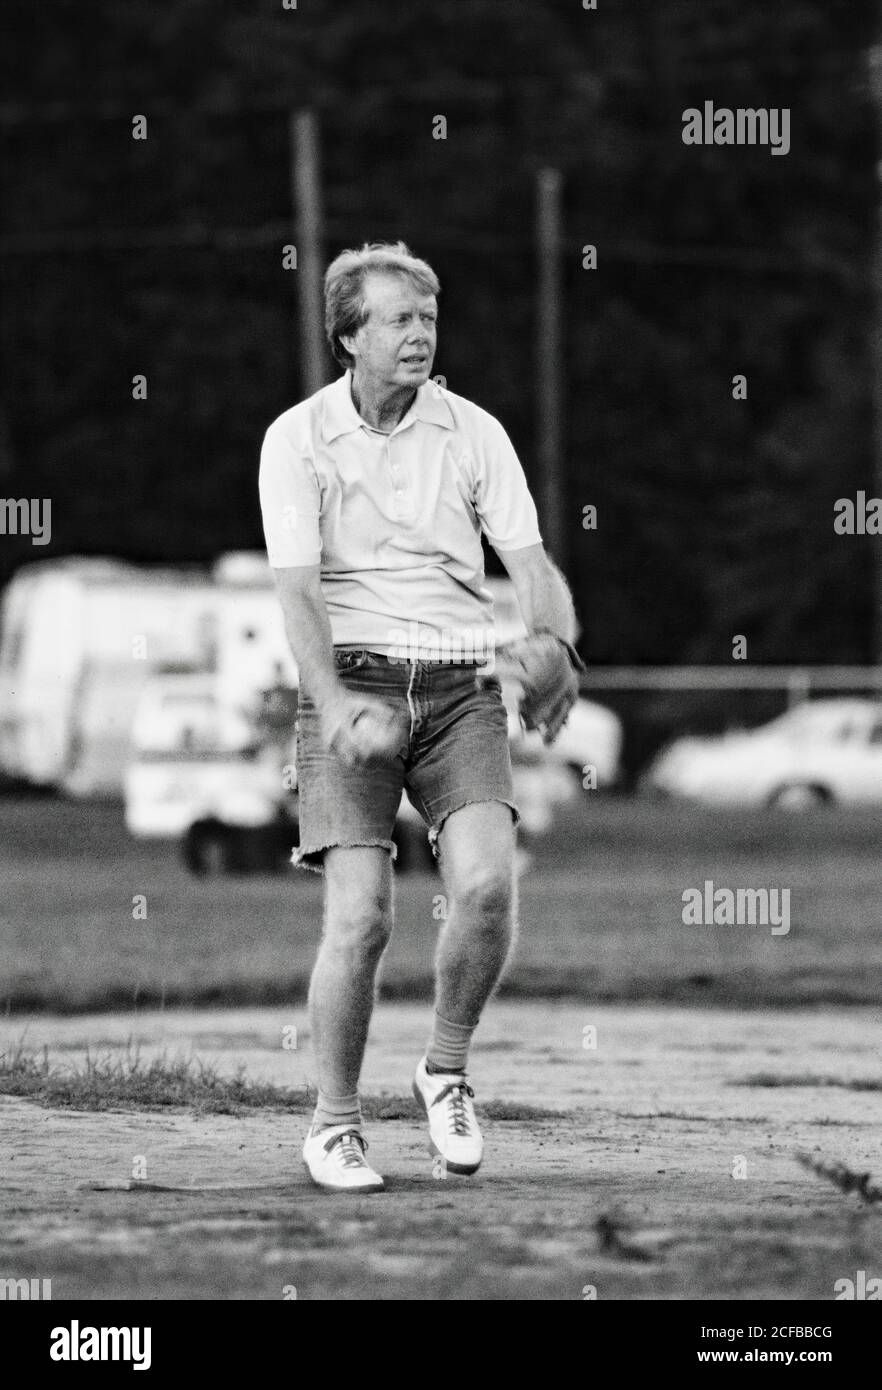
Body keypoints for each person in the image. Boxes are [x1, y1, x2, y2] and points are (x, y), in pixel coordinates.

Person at [259, 241, 580, 1192]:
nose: (421, 334)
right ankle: (334, 1125)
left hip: (459, 689)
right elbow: (299, 596)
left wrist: (556, 644)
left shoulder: (474, 431)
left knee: (485, 886)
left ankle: (444, 1071)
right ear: (348, 334)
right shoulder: (298, 438)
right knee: (360, 918)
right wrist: (334, 701)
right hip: (348, 682)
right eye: (399, 318)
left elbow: (532, 571)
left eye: (429, 319)